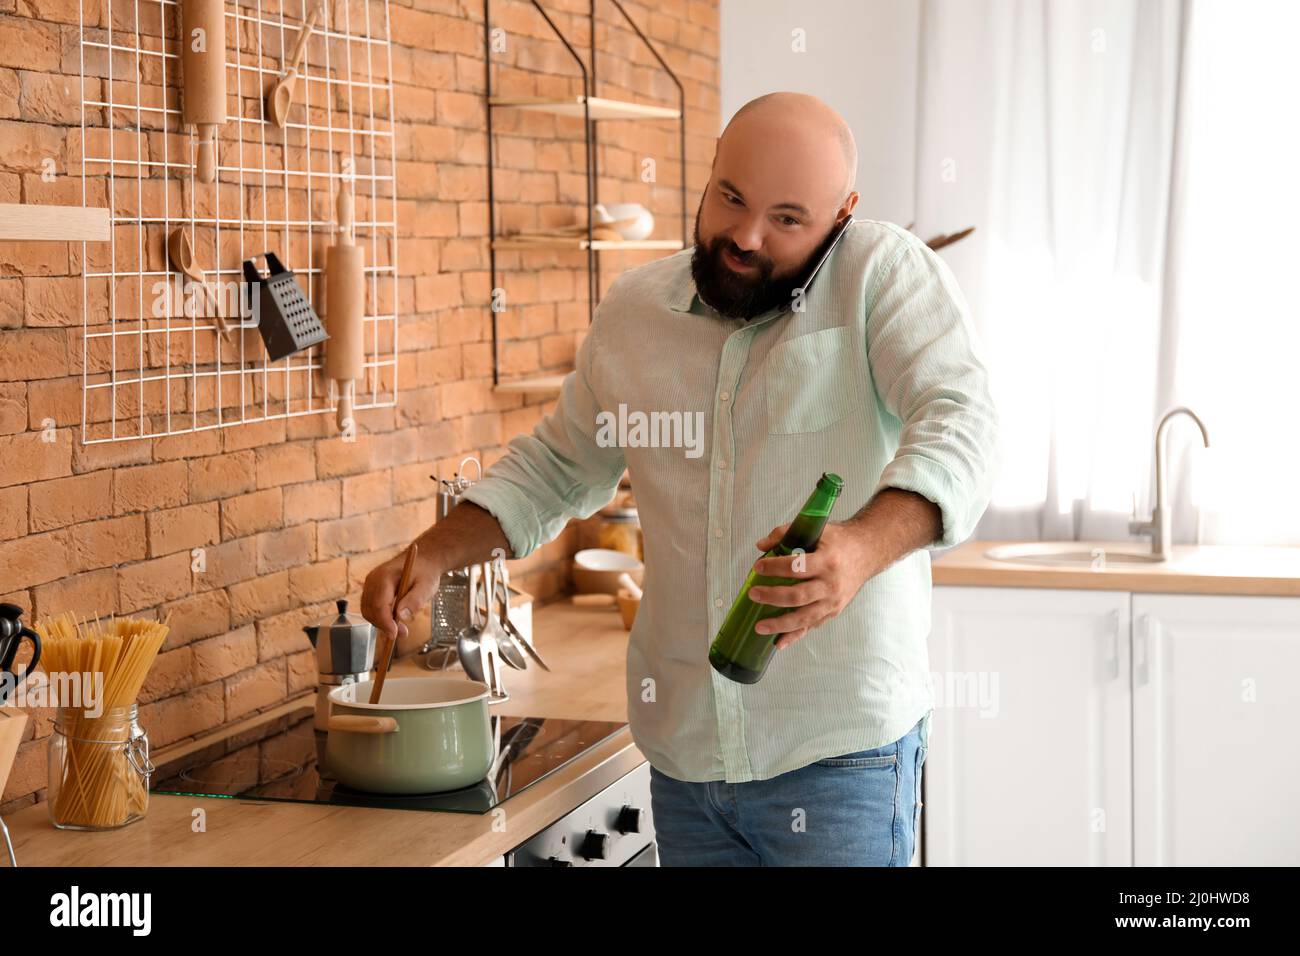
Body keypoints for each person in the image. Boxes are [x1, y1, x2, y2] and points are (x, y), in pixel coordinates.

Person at [361, 91, 999, 866]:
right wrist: (434, 551)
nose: (745, 236)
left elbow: (962, 422)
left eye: (787, 220)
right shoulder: (635, 313)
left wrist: (860, 548)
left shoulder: (883, 277)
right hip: (687, 763)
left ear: (843, 213)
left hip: (838, 763)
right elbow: (561, 463)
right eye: (731, 198)